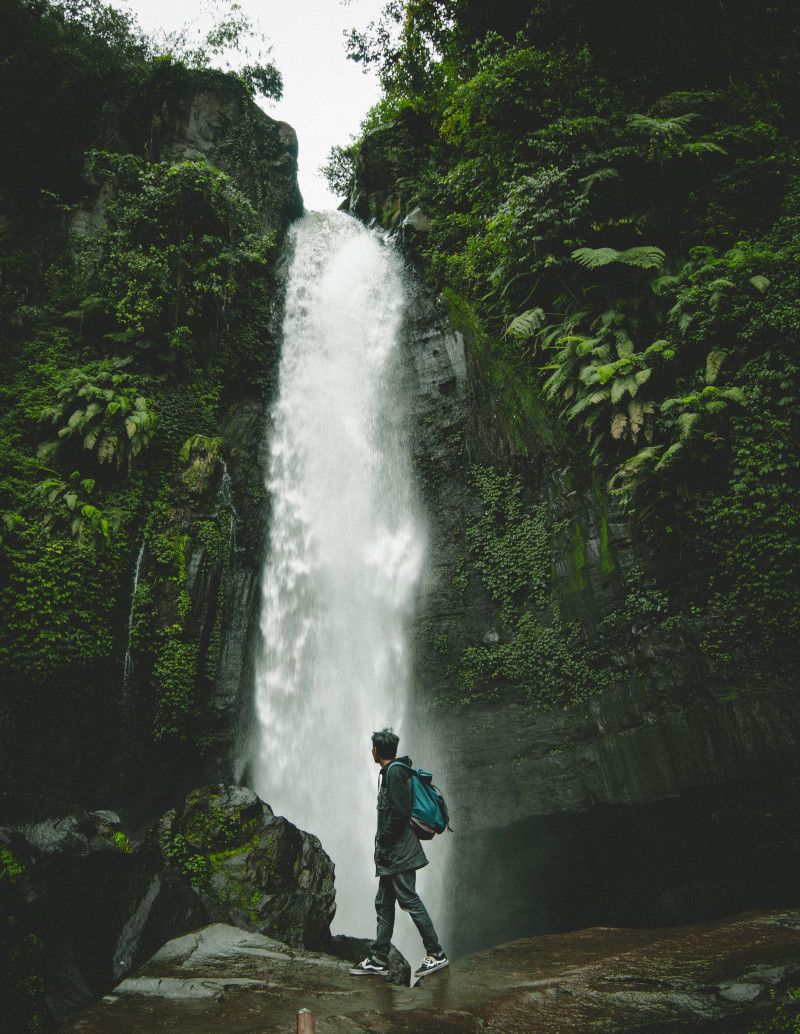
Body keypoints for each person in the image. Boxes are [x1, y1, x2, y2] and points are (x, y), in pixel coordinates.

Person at [350, 727, 448, 979]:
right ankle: (379, 958)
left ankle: (436, 953)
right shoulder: (393, 772)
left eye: (372, 747)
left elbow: (400, 813)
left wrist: (384, 838)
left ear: (377, 750)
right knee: (384, 903)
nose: (370, 751)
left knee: (409, 900)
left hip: (399, 853)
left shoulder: (394, 774)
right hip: (392, 854)